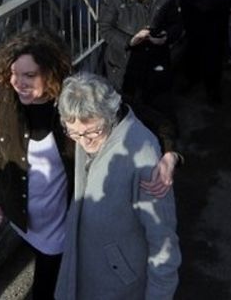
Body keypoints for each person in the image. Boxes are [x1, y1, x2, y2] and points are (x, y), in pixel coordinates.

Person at [55, 72, 181, 300]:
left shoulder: (144, 158)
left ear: (111, 114)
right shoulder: (87, 131)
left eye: (93, 132)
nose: (84, 142)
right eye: (74, 133)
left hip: (119, 285)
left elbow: (163, 243)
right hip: (87, 268)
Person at [0, 30, 74, 300]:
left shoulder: (73, 101)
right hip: (24, 214)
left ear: (49, 74)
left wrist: (170, 153)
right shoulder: (4, 99)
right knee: (41, 261)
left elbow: (131, 114)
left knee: (47, 284)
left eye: (29, 75)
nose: (18, 83)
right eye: (14, 74)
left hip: (59, 220)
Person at [98, 0, 186, 182]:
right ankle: (124, 154)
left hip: (156, 62)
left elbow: (177, 25)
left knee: (160, 105)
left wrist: (166, 36)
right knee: (123, 108)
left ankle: (168, 151)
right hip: (124, 65)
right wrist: (129, 41)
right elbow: (105, 28)